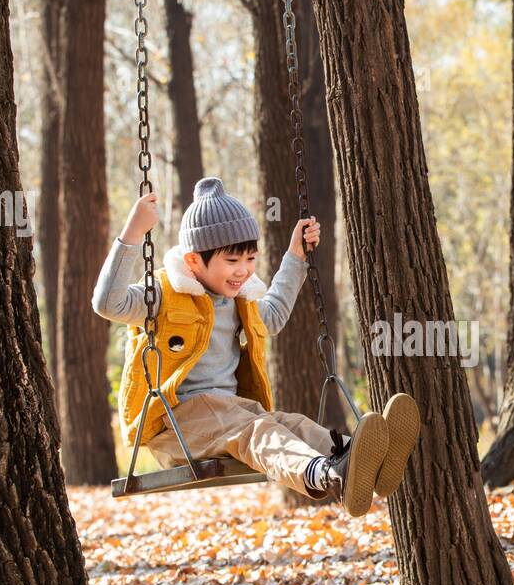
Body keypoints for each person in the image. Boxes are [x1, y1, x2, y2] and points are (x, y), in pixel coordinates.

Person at [93, 176, 420, 517]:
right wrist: (132, 234)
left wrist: (295, 255)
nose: (244, 271)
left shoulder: (239, 302)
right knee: (259, 430)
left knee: (291, 423)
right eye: (232, 261)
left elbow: (273, 315)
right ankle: (326, 475)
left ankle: (363, 458)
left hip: (232, 414)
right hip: (176, 424)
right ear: (193, 261)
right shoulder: (163, 294)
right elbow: (108, 303)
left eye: (250, 259)